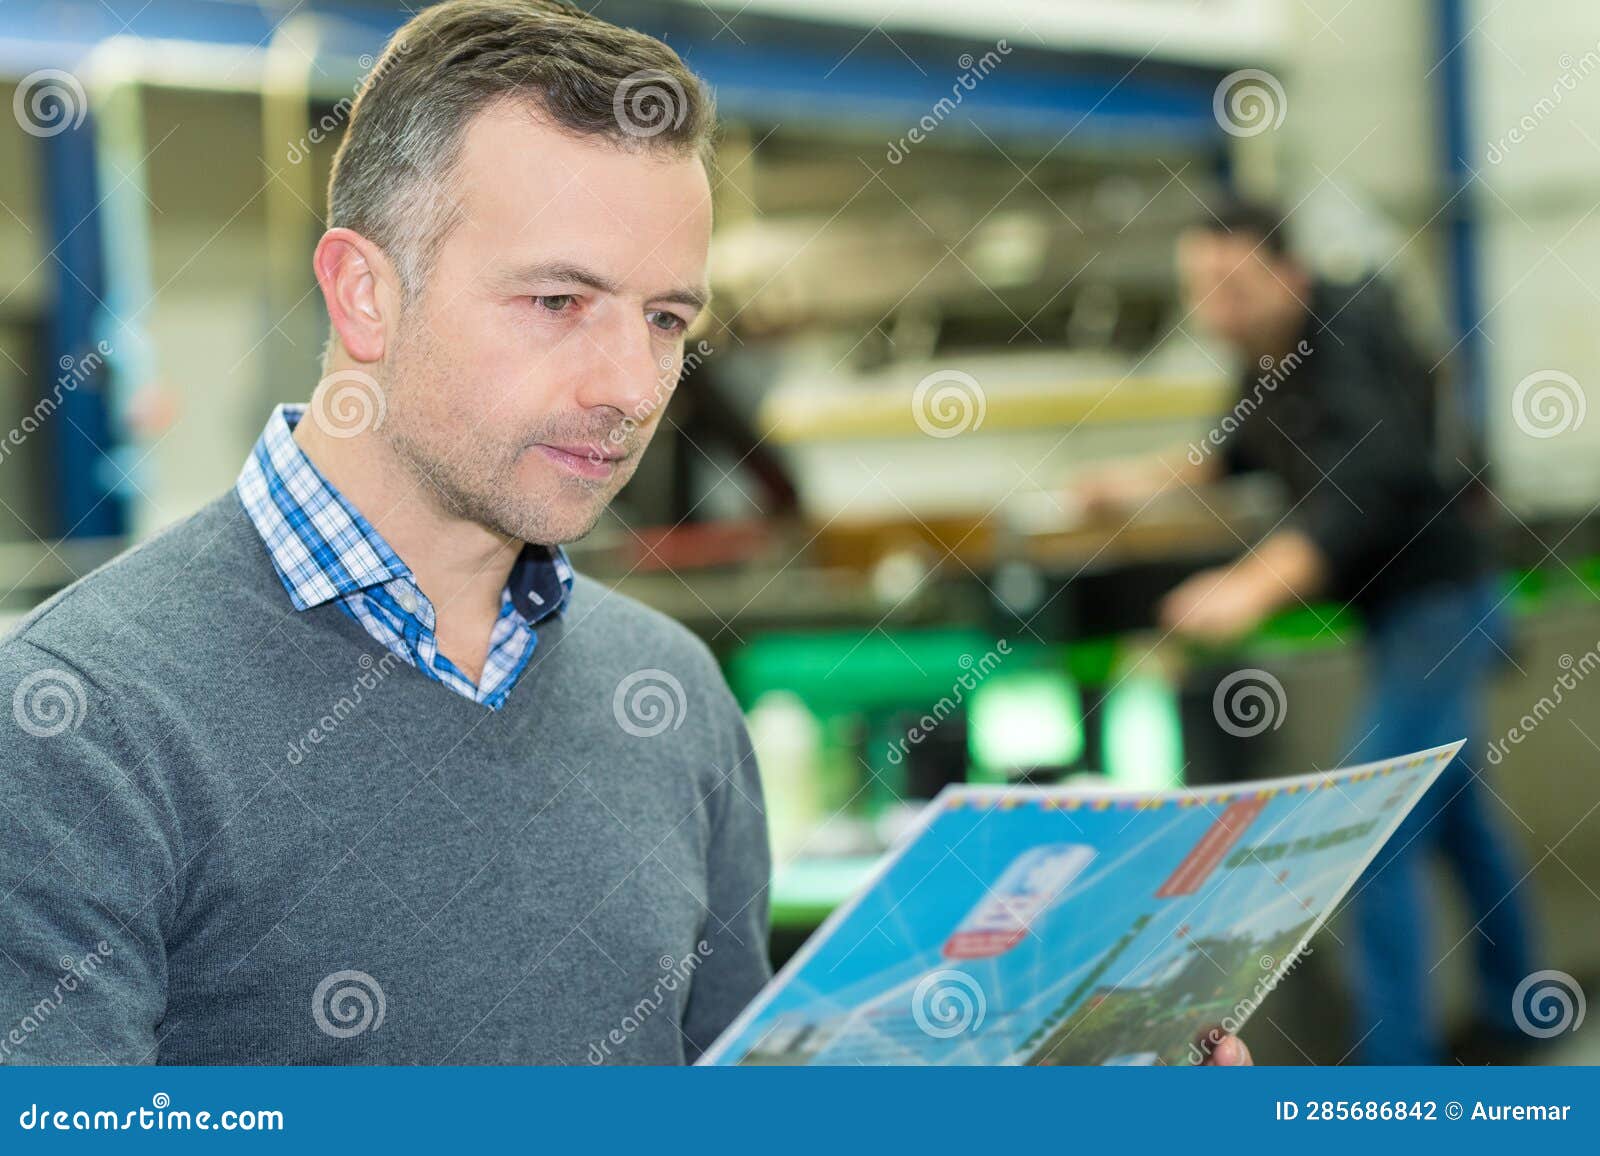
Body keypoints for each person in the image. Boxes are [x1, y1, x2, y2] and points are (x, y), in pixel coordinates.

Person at [0, 0, 1252, 1067]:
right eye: (558, 300)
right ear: (364, 293)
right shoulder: (83, 724)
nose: (628, 387)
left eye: (664, 320)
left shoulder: (670, 697)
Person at [1073, 199, 1536, 1064]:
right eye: (1202, 289)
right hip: (1404, 614)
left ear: (1288, 275)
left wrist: (1252, 585)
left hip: (1441, 605)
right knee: (1460, 820)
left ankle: (1393, 1075)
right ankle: (1520, 1009)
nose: (1217, 308)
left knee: (1369, 833)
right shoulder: (1266, 360)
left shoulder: (1344, 337)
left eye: (1235, 286)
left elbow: (1364, 481)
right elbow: (1230, 453)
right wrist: (1125, 484)